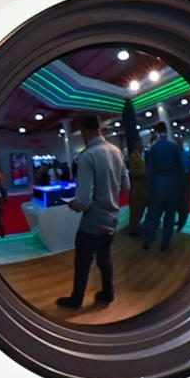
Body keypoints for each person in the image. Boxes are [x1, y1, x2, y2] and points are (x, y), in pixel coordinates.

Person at [56, 111, 128, 310]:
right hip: (112, 219)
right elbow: (126, 186)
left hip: (93, 223)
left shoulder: (87, 156)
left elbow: (84, 200)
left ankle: (76, 300)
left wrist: (71, 202)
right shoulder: (117, 151)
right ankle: (108, 294)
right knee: (105, 259)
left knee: (82, 263)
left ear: (82, 130)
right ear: (99, 127)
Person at [141, 121, 190, 252]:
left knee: (153, 215)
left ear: (157, 131)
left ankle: (148, 241)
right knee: (170, 217)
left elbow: (150, 170)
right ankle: (165, 243)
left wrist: (148, 188)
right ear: (166, 130)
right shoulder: (173, 147)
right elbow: (182, 168)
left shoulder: (154, 148)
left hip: (157, 184)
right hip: (172, 184)